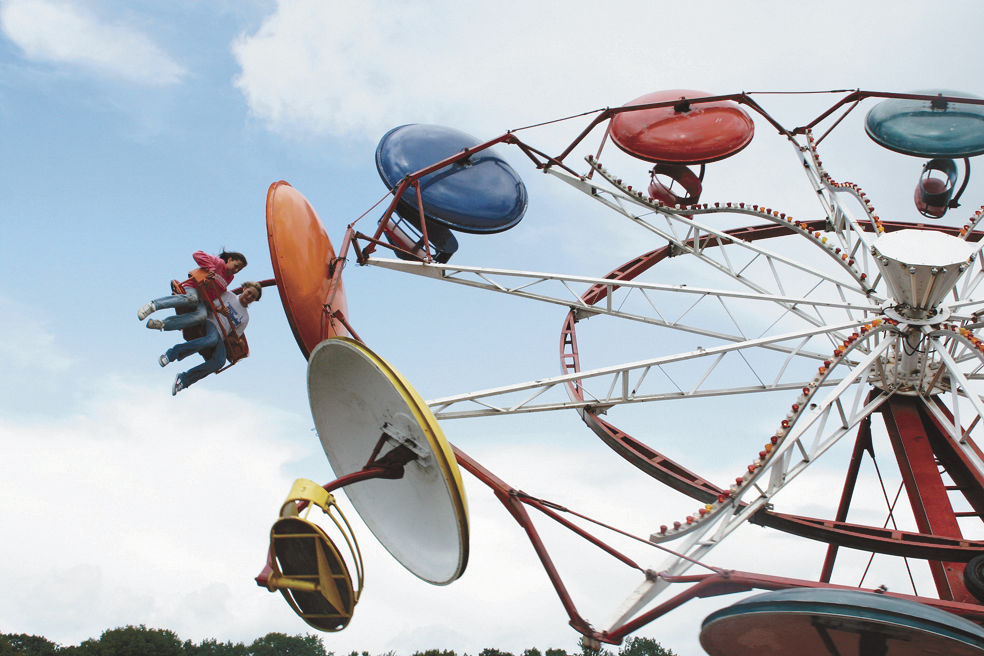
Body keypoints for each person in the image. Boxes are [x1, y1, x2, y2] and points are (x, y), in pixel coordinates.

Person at [160, 281, 262, 395]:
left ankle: (184, 379)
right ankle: (172, 354)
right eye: (249, 292)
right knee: (212, 339)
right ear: (244, 289)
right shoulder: (229, 295)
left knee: (219, 362)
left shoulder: (245, 318)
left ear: (255, 300)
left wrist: (238, 342)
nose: (249, 297)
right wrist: (219, 310)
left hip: (221, 336)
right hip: (211, 322)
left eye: (253, 297)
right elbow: (211, 305)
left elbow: (233, 336)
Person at [137, 250, 247, 331]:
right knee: (192, 299)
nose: (236, 270)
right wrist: (211, 268)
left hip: (204, 298)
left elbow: (217, 292)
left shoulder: (230, 278)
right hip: (193, 288)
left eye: (239, 270)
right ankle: (153, 305)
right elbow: (197, 254)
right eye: (236, 266)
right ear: (230, 260)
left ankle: (162, 324)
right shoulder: (218, 263)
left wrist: (216, 308)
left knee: (202, 316)